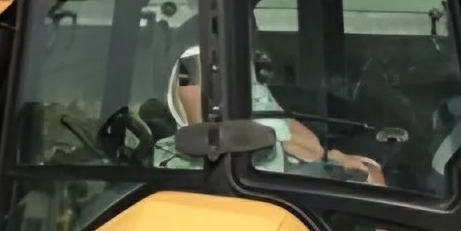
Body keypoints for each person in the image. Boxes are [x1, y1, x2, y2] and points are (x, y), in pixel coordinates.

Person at [162, 46, 384, 184]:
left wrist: (328, 158)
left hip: (268, 162)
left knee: (370, 172)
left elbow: (294, 136)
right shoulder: (196, 61)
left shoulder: (248, 71)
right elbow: (203, 132)